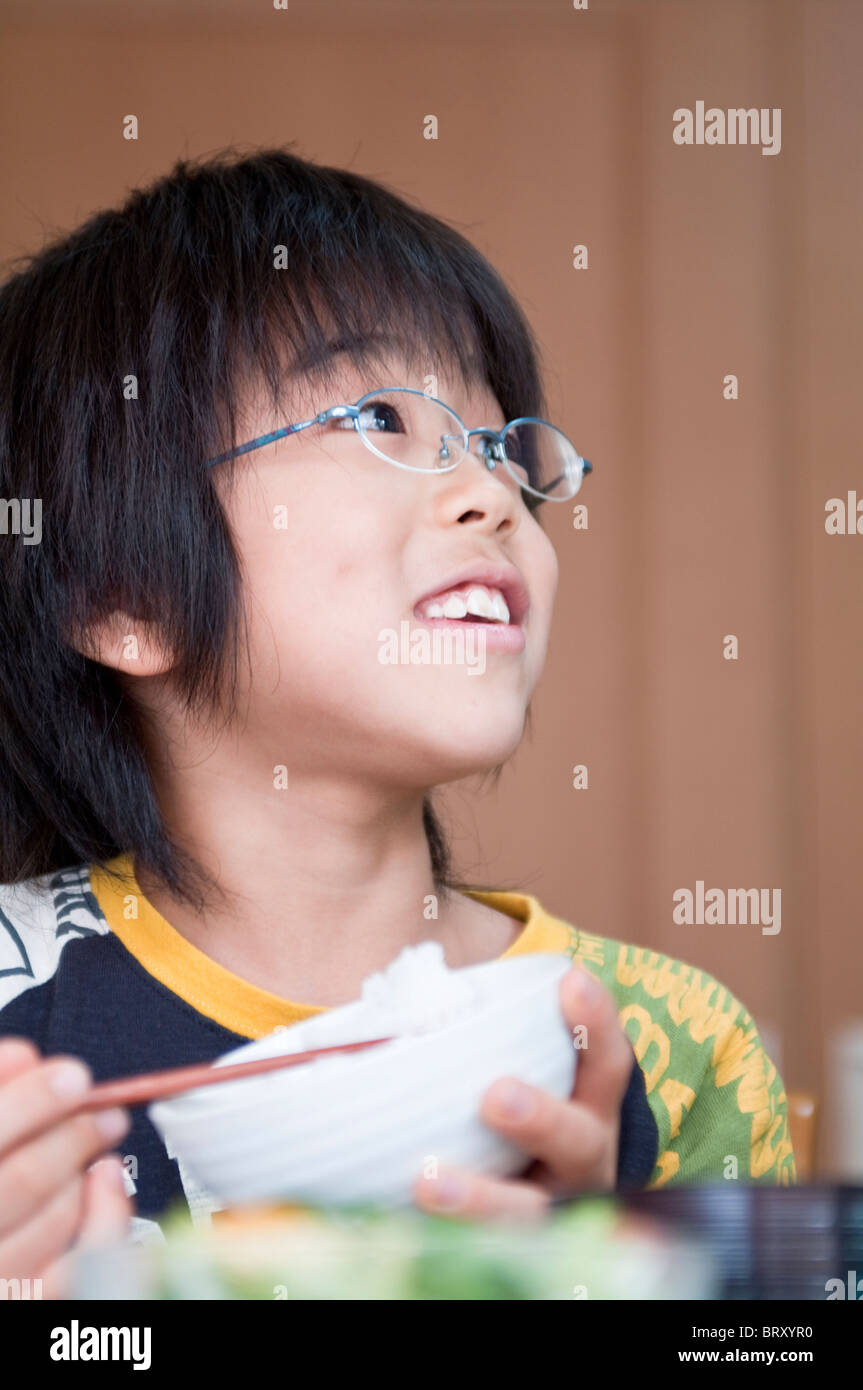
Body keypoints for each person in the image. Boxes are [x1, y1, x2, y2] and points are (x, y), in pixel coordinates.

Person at [0, 148, 795, 1291]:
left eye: (496, 443)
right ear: (120, 595)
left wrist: (599, 1276)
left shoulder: (670, 1049)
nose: (492, 496)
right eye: (376, 414)